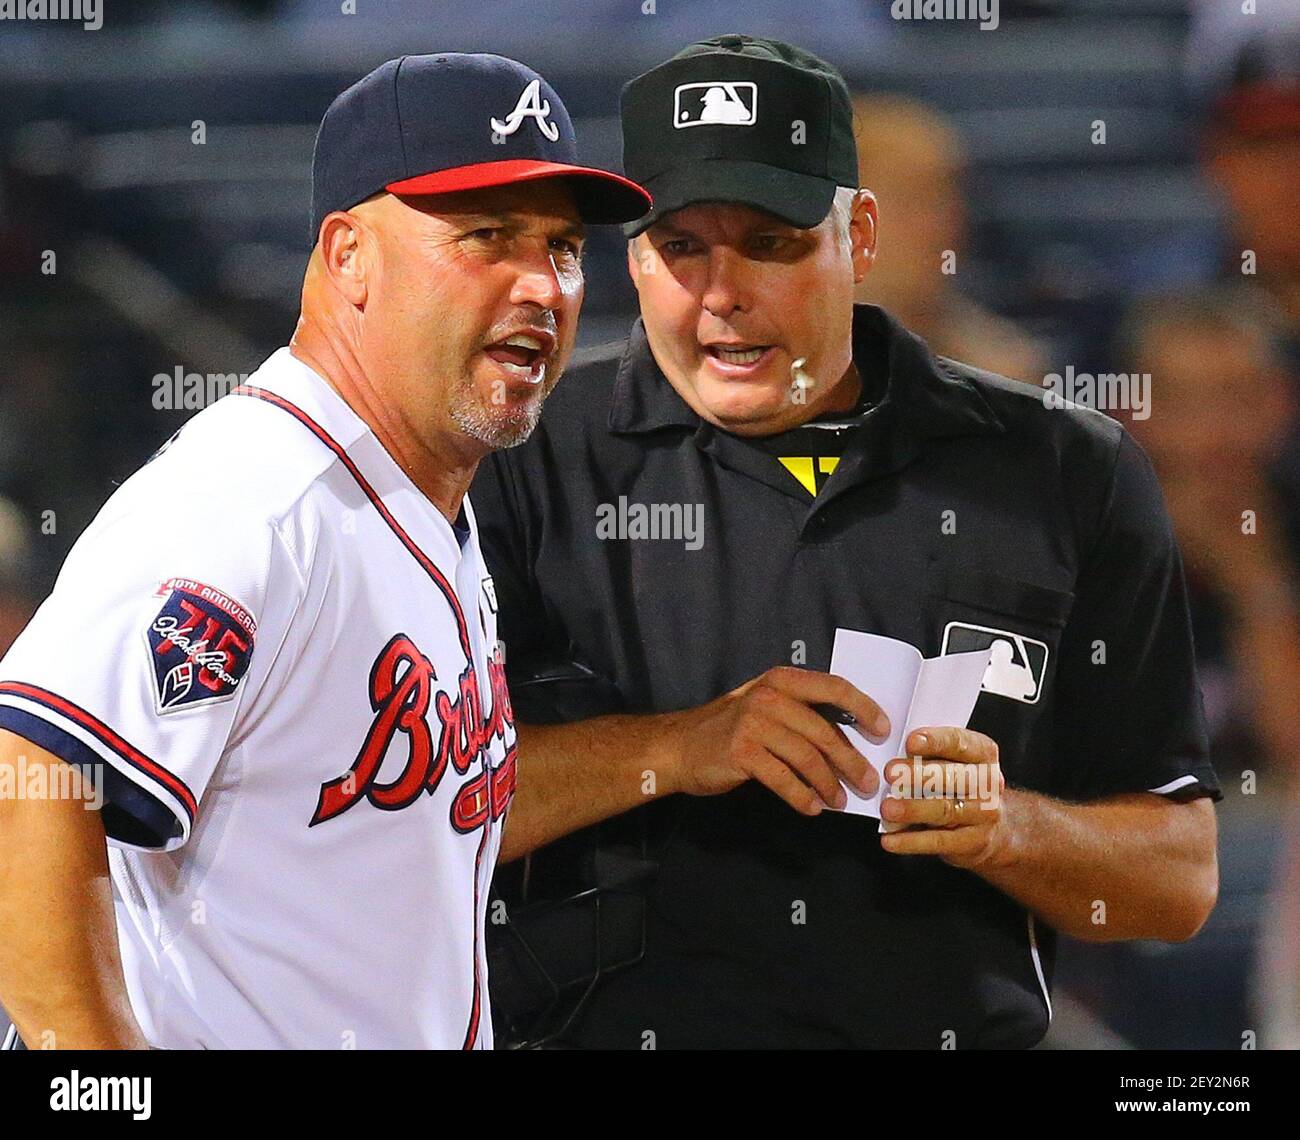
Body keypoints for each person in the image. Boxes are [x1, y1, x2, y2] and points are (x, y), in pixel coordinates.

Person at [473, 35, 1220, 1049]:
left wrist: (1008, 827)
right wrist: (671, 750)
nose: (722, 292)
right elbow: (391, 823)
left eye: (772, 242)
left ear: (857, 235)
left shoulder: (1062, 472)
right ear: (635, 257)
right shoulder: (515, 458)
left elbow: (1174, 883)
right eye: (680, 245)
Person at [0, 52, 648, 1050]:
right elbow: (31, 778)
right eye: (488, 237)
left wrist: (684, 752)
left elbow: (417, 821)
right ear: (347, 255)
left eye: (563, 246)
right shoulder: (252, 502)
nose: (543, 284)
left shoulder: (417, 487)